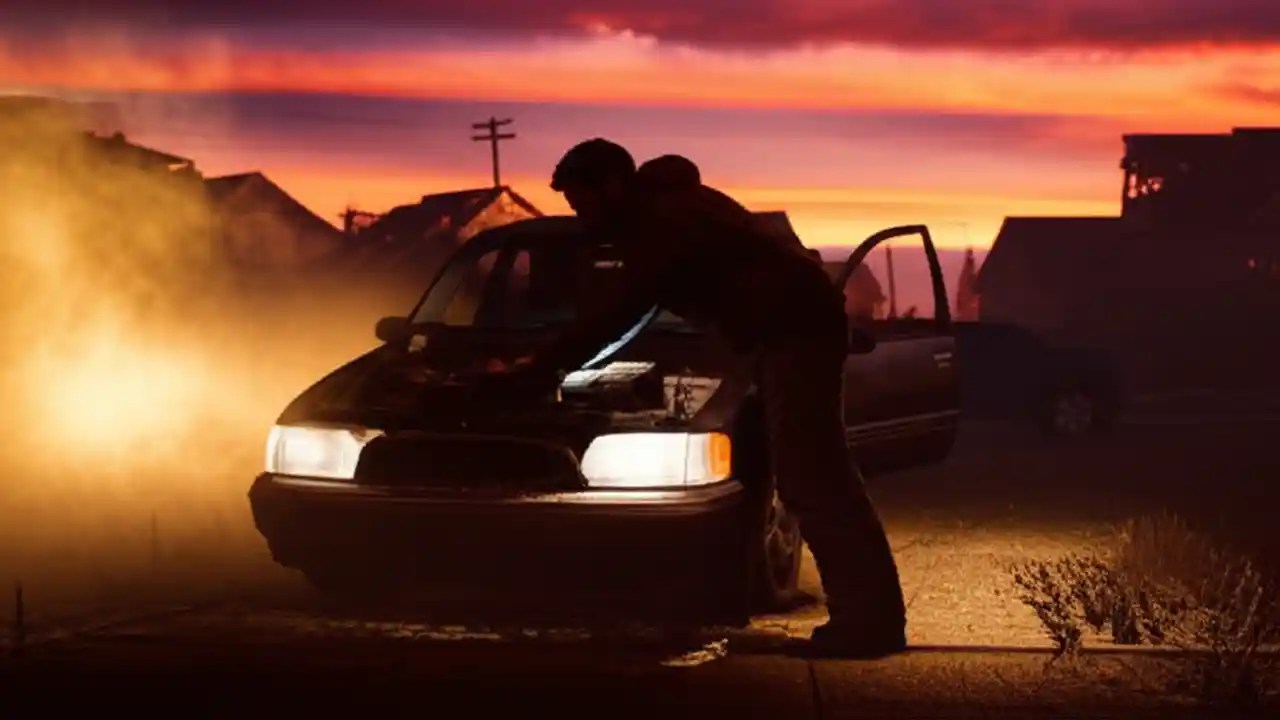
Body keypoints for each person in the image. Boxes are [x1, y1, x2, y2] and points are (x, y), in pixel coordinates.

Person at [489, 138, 907, 658]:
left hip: (795, 335)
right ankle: (872, 620)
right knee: (821, 476)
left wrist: (542, 366)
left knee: (812, 479)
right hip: (792, 330)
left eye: (582, 202)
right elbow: (636, 309)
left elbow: (622, 309)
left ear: (611, 186)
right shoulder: (668, 212)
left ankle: (866, 625)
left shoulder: (664, 220)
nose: (581, 216)